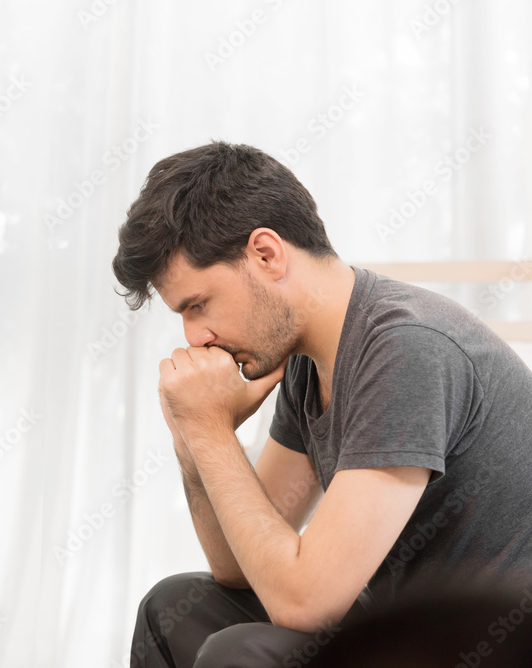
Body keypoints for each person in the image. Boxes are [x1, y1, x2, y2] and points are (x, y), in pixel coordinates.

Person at [111, 141, 532, 667]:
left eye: (199, 305)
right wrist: (192, 438)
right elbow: (241, 568)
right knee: (171, 608)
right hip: (405, 634)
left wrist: (212, 429)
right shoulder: (310, 363)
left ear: (266, 254)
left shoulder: (406, 347)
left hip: (485, 644)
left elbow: (305, 606)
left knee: (238, 651)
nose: (196, 336)